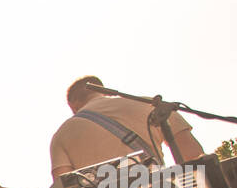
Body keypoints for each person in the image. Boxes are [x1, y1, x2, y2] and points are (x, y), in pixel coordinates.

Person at [49, 76, 205, 179]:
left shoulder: (61, 136)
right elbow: (194, 157)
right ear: (103, 90)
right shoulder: (152, 106)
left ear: (72, 105)